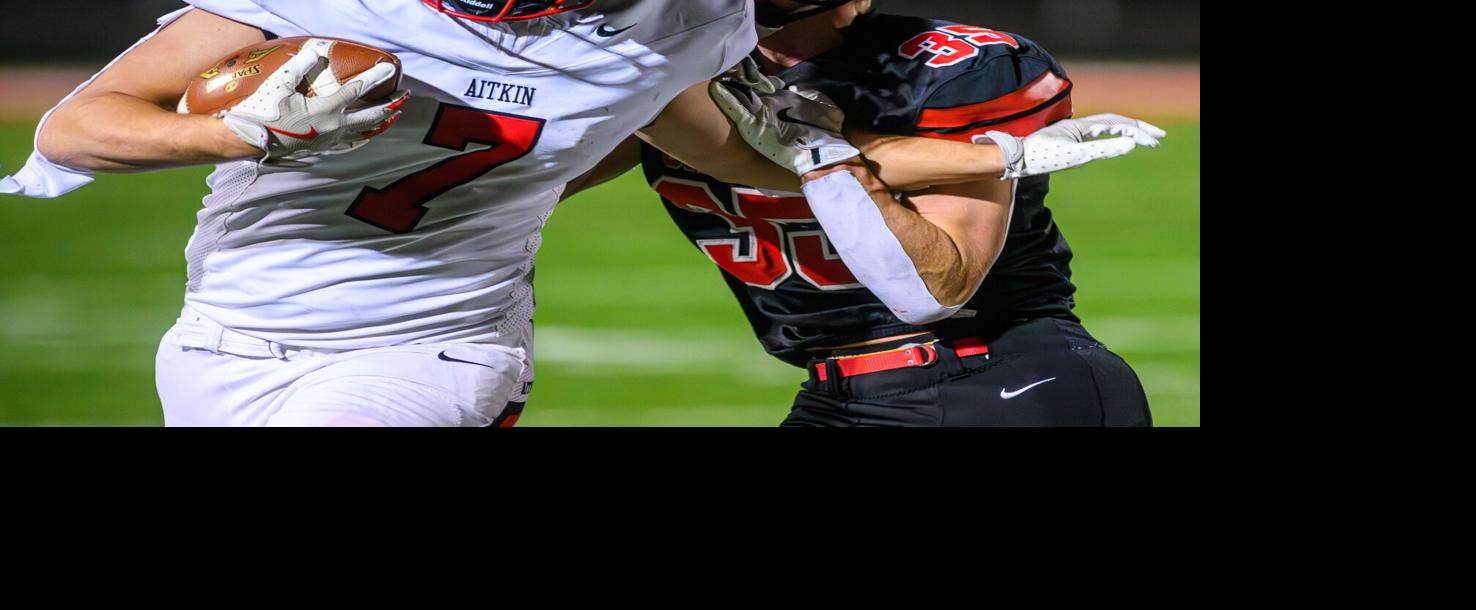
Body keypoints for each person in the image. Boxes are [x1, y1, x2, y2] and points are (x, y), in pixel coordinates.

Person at [1, 0, 1143, 426]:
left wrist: (988, 149)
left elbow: (779, 166)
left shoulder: (675, 29)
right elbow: (71, 130)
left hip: (421, 350)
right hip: (220, 337)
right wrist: (236, 134)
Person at [570, 0, 1161, 426]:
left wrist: (826, 156)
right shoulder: (675, 72)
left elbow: (937, 284)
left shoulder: (952, 66)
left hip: (996, 377)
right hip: (839, 391)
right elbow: (511, 184)